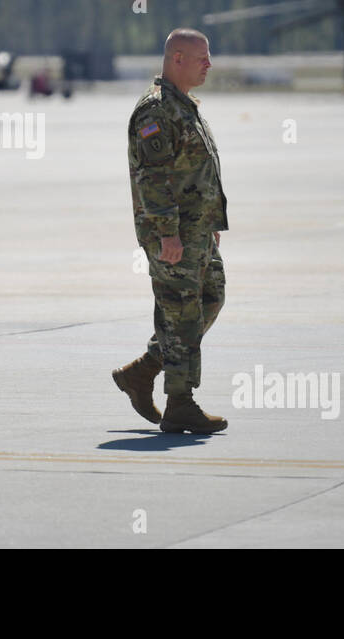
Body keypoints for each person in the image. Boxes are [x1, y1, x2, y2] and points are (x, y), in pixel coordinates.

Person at [112, 29, 229, 434]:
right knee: (180, 314)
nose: (209, 65)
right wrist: (167, 234)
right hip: (172, 235)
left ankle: (144, 371)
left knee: (210, 296)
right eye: (202, 58)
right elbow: (154, 178)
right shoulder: (155, 112)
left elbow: (194, 172)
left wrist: (210, 221)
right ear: (177, 58)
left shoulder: (184, 105)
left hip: (195, 231)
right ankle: (180, 402)